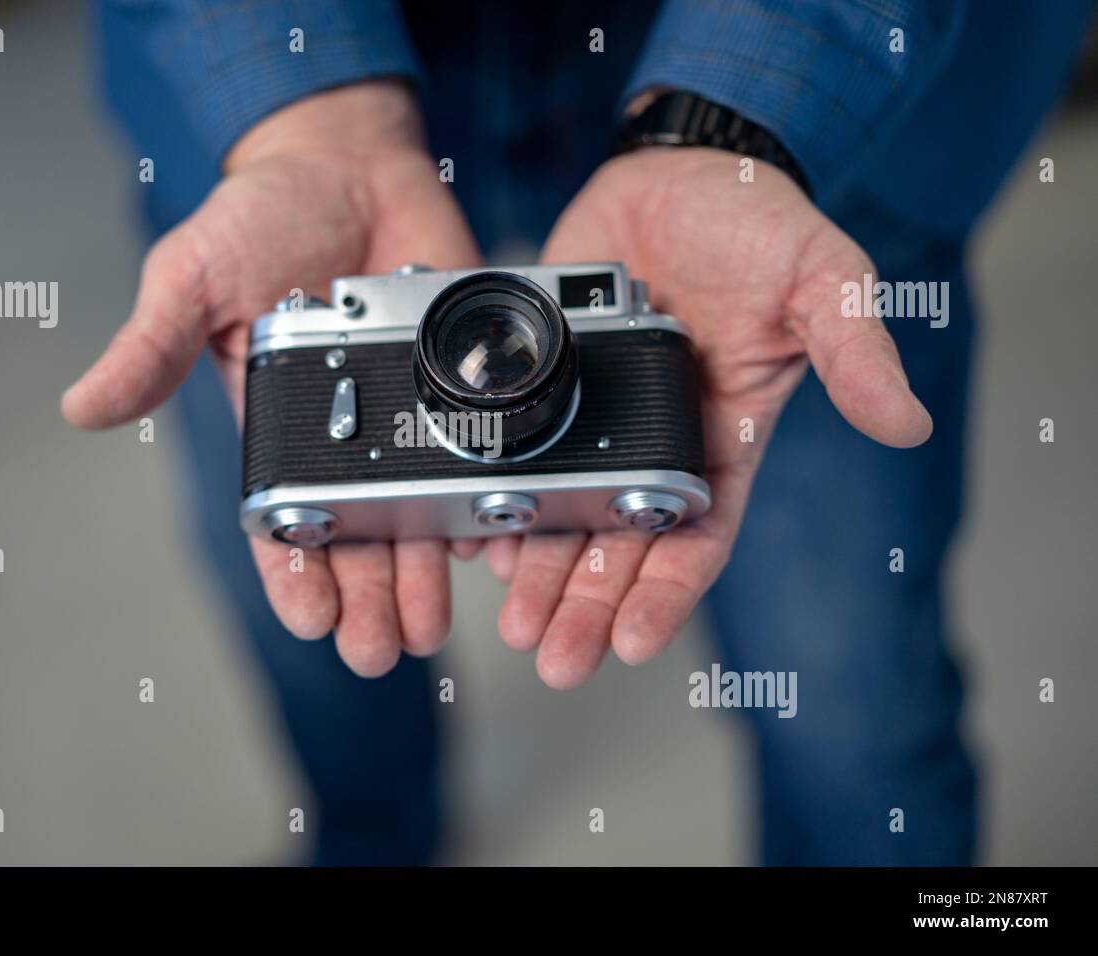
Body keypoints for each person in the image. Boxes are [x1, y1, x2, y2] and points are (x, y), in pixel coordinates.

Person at [65, 0, 1094, 865]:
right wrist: (292, 108)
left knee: (848, 687)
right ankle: (372, 835)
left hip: (812, 128)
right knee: (310, 619)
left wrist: (738, 117)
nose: (493, 359)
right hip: (285, 129)